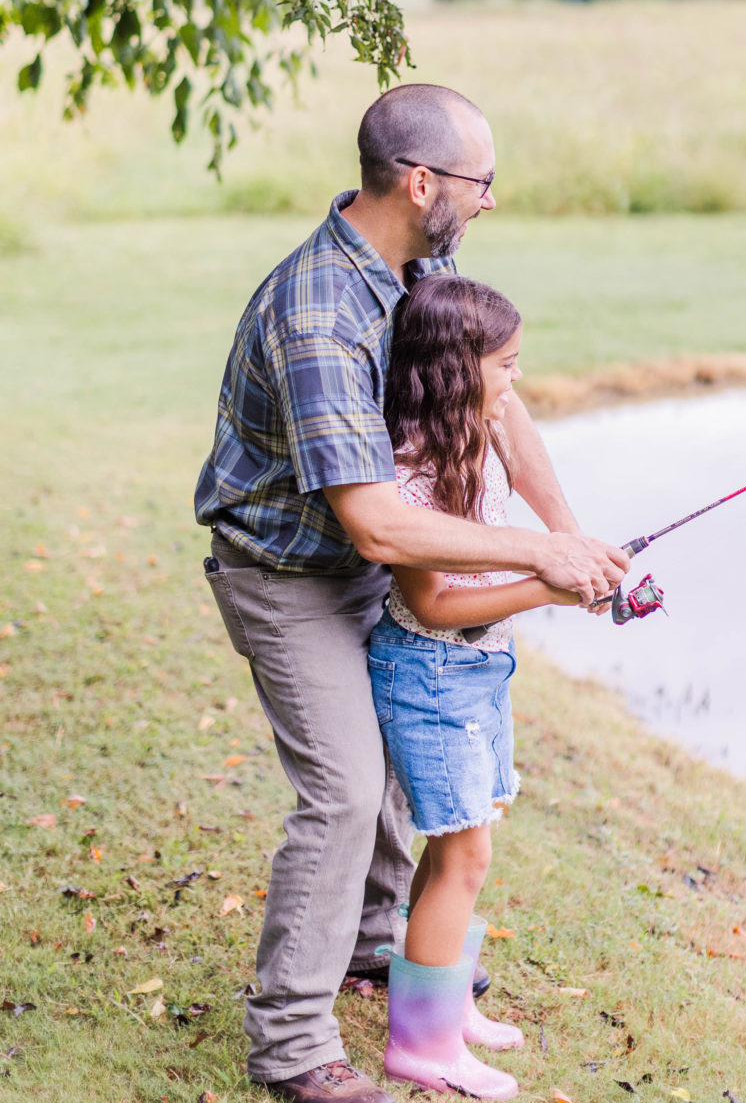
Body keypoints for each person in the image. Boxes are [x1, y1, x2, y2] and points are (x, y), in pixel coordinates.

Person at [194, 83, 628, 1103]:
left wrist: (564, 535)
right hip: (288, 573)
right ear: (421, 180)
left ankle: (374, 945)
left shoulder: (422, 261)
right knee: (345, 793)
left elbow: (496, 400)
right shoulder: (317, 311)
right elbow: (377, 520)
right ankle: (292, 1043)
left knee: (401, 773)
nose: (488, 202)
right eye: (479, 182)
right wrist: (530, 561)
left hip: (368, 563)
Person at [368, 273, 585, 1100]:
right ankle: (421, 1049)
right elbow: (430, 601)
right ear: (461, 371)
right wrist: (546, 583)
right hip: (428, 670)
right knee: (466, 853)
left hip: (474, 667)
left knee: (457, 845)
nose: (517, 378)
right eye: (507, 363)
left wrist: (569, 554)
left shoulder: (468, 436)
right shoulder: (415, 465)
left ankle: (446, 1006)